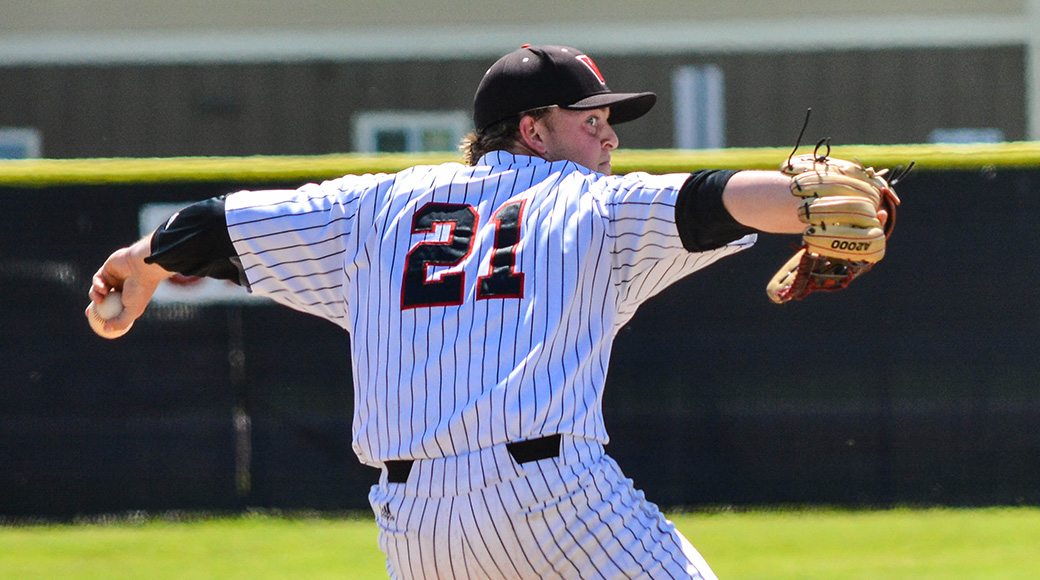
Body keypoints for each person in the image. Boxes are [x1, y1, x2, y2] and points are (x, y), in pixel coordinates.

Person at [89, 45, 884, 580]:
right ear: (532, 130)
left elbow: (215, 225)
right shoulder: (590, 204)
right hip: (554, 501)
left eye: (610, 123)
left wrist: (137, 267)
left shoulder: (374, 206)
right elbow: (713, 201)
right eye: (591, 121)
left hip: (414, 522)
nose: (608, 139)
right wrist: (832, 203)